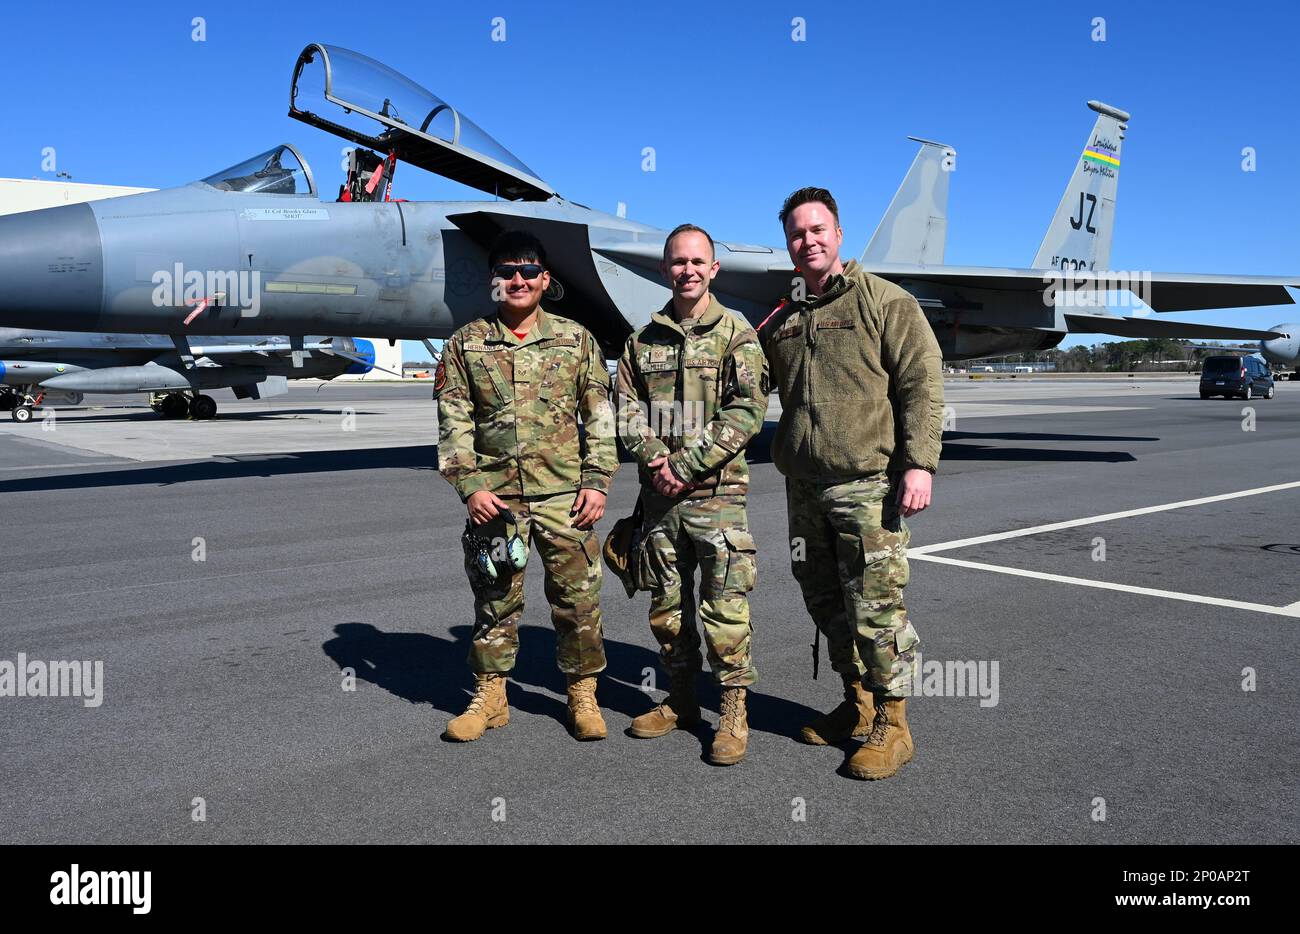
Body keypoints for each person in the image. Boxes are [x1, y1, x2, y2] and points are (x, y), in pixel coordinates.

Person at [758, 187, 944, 780]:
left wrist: (919, 462)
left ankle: (896, 725)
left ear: (838, 234)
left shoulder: (885, 302)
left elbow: (921, 383)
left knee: (877, 608)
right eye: (796, 233)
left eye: (818, 229)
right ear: (788, 243)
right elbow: (743, 389)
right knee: (826, 602)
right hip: (804, 489)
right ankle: (859, 703)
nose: (807, 240)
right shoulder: (784, 321)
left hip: (867, 486)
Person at [436, 230, 618, 742]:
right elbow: (455, 423)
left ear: (545, 280)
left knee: (578, 601)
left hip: (566, 497)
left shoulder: (575, 340)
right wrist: (470, 485)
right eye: (506, 271)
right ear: (493, 281)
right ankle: (490, 697)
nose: (517, 279)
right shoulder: (466, 344)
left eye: (528, 271)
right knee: (495, 601)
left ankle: (582, 695)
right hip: (496, 501)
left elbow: (600, 419)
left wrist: (598, 481)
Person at [615, 224, 768, 765]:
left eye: (697, 261)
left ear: (713, 269)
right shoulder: (642, 340)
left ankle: (732, 711)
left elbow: (748, 410)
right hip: (660, 501)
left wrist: (685, 465)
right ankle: (681, 700)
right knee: (668, 609)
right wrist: (655, 457)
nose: (688, 270)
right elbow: (625, 408)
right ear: (665, 269)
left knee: (725, 610)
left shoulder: (736, 334)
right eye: (678, 262)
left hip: (717, 498)